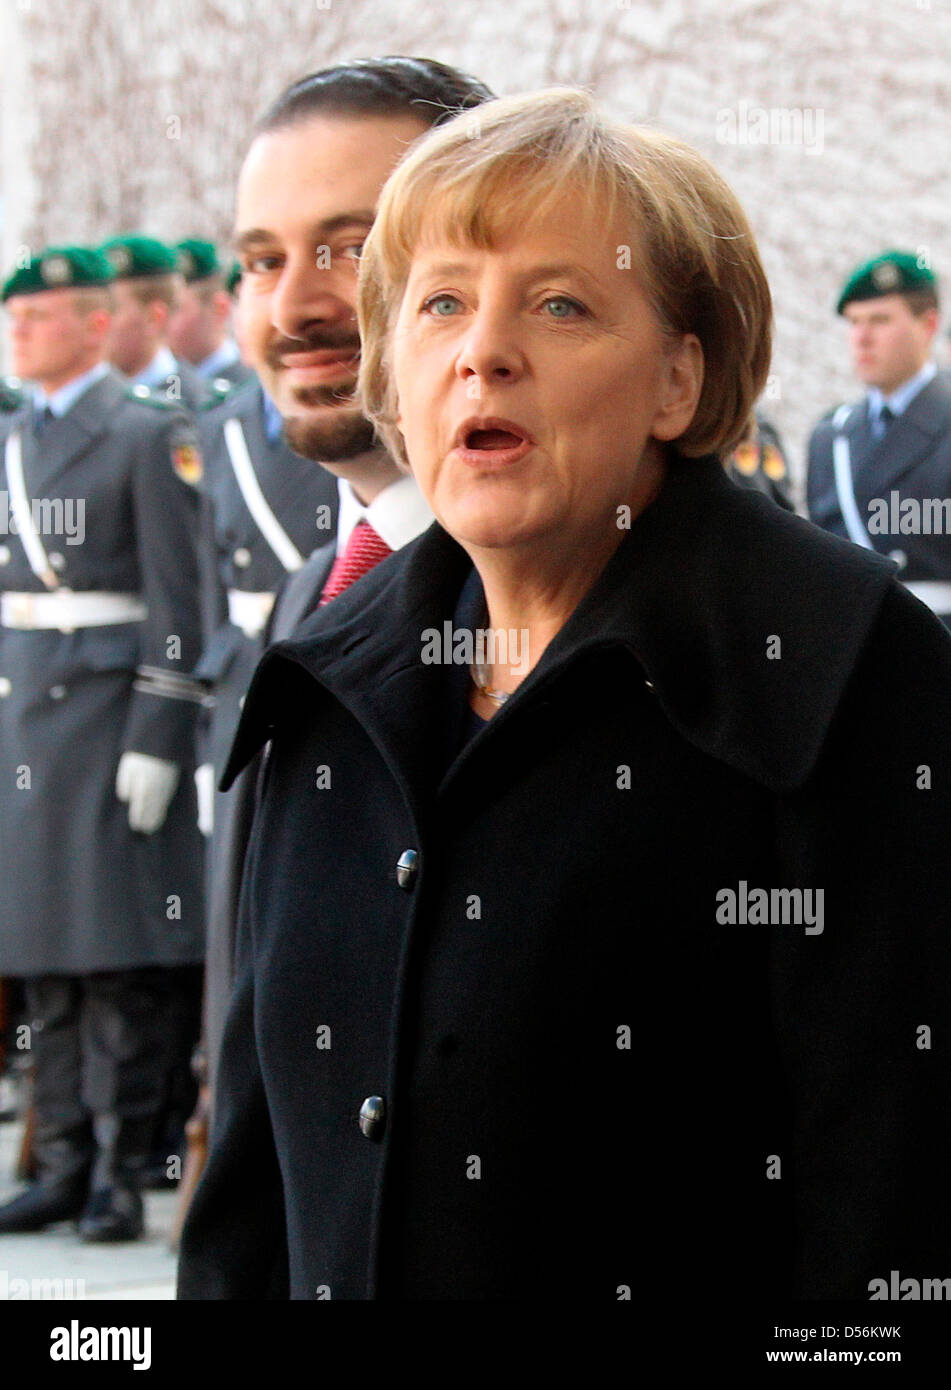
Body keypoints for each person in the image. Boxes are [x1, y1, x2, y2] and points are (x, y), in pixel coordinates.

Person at [179, 87, 951, 1302]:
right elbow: (258, 1199)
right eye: (440, 304)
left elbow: (895, 1209)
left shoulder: (844, 670)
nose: (482, 350)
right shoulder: (325, 676)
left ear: (677, 382)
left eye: (558, 304)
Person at [191, 58, 495, 1123]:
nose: (293, 307)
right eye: (260, 261)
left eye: (350, 251)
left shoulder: (547, 600)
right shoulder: (312, 594)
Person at [0, 245, 206, 1240]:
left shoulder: (140, 433)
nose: (20, 332)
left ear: (93, 325)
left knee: (116, 960)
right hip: (26, 719)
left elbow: (181, 595)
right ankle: (62, 1159)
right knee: (41, 960)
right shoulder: (8, 440)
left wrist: (162, 727)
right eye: (16, 319)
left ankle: (123, 1171)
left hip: (107, 718)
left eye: (41, 317)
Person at [807, 251, 951, 626]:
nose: (862, 338)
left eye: (880, 320)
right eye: (854, 322)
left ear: (928, 324)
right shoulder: (830, 438)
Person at [99, 234, 211, 412]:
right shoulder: (91, 398)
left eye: (112, 310)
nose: (100, 324)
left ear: (154, 318)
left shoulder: (199, 404)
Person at [168, 239, 252, 387]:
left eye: (176, 309)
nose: (164, 322)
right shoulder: (167, 383)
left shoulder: (253, 383)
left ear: (220, 308)